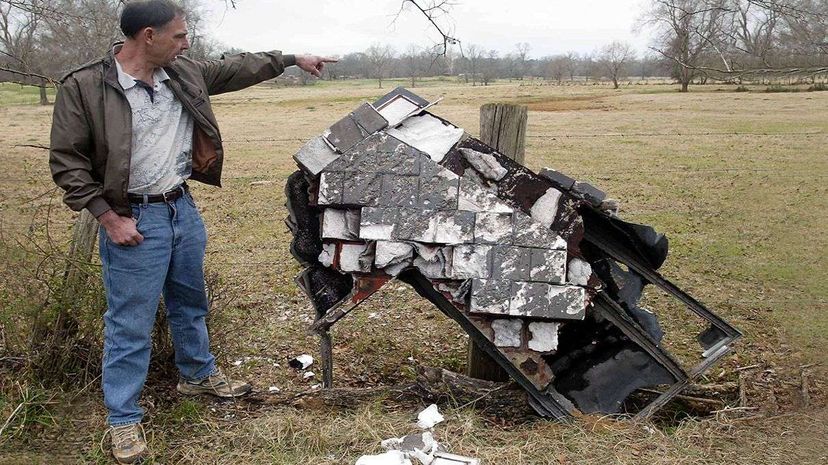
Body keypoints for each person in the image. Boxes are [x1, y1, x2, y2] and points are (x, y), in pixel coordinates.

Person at [48, 1, 335, 462]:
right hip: (132, 218)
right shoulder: (85, 86)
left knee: (189, 301)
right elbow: (67, 162)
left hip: (181, 209)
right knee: (130, 323)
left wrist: (290, 59)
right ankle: (123, 419)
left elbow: (236, 67)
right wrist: (108, 217)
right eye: (180, 36)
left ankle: (197, 375)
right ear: (148, 36)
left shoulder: (181, 71)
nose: (187, 44)